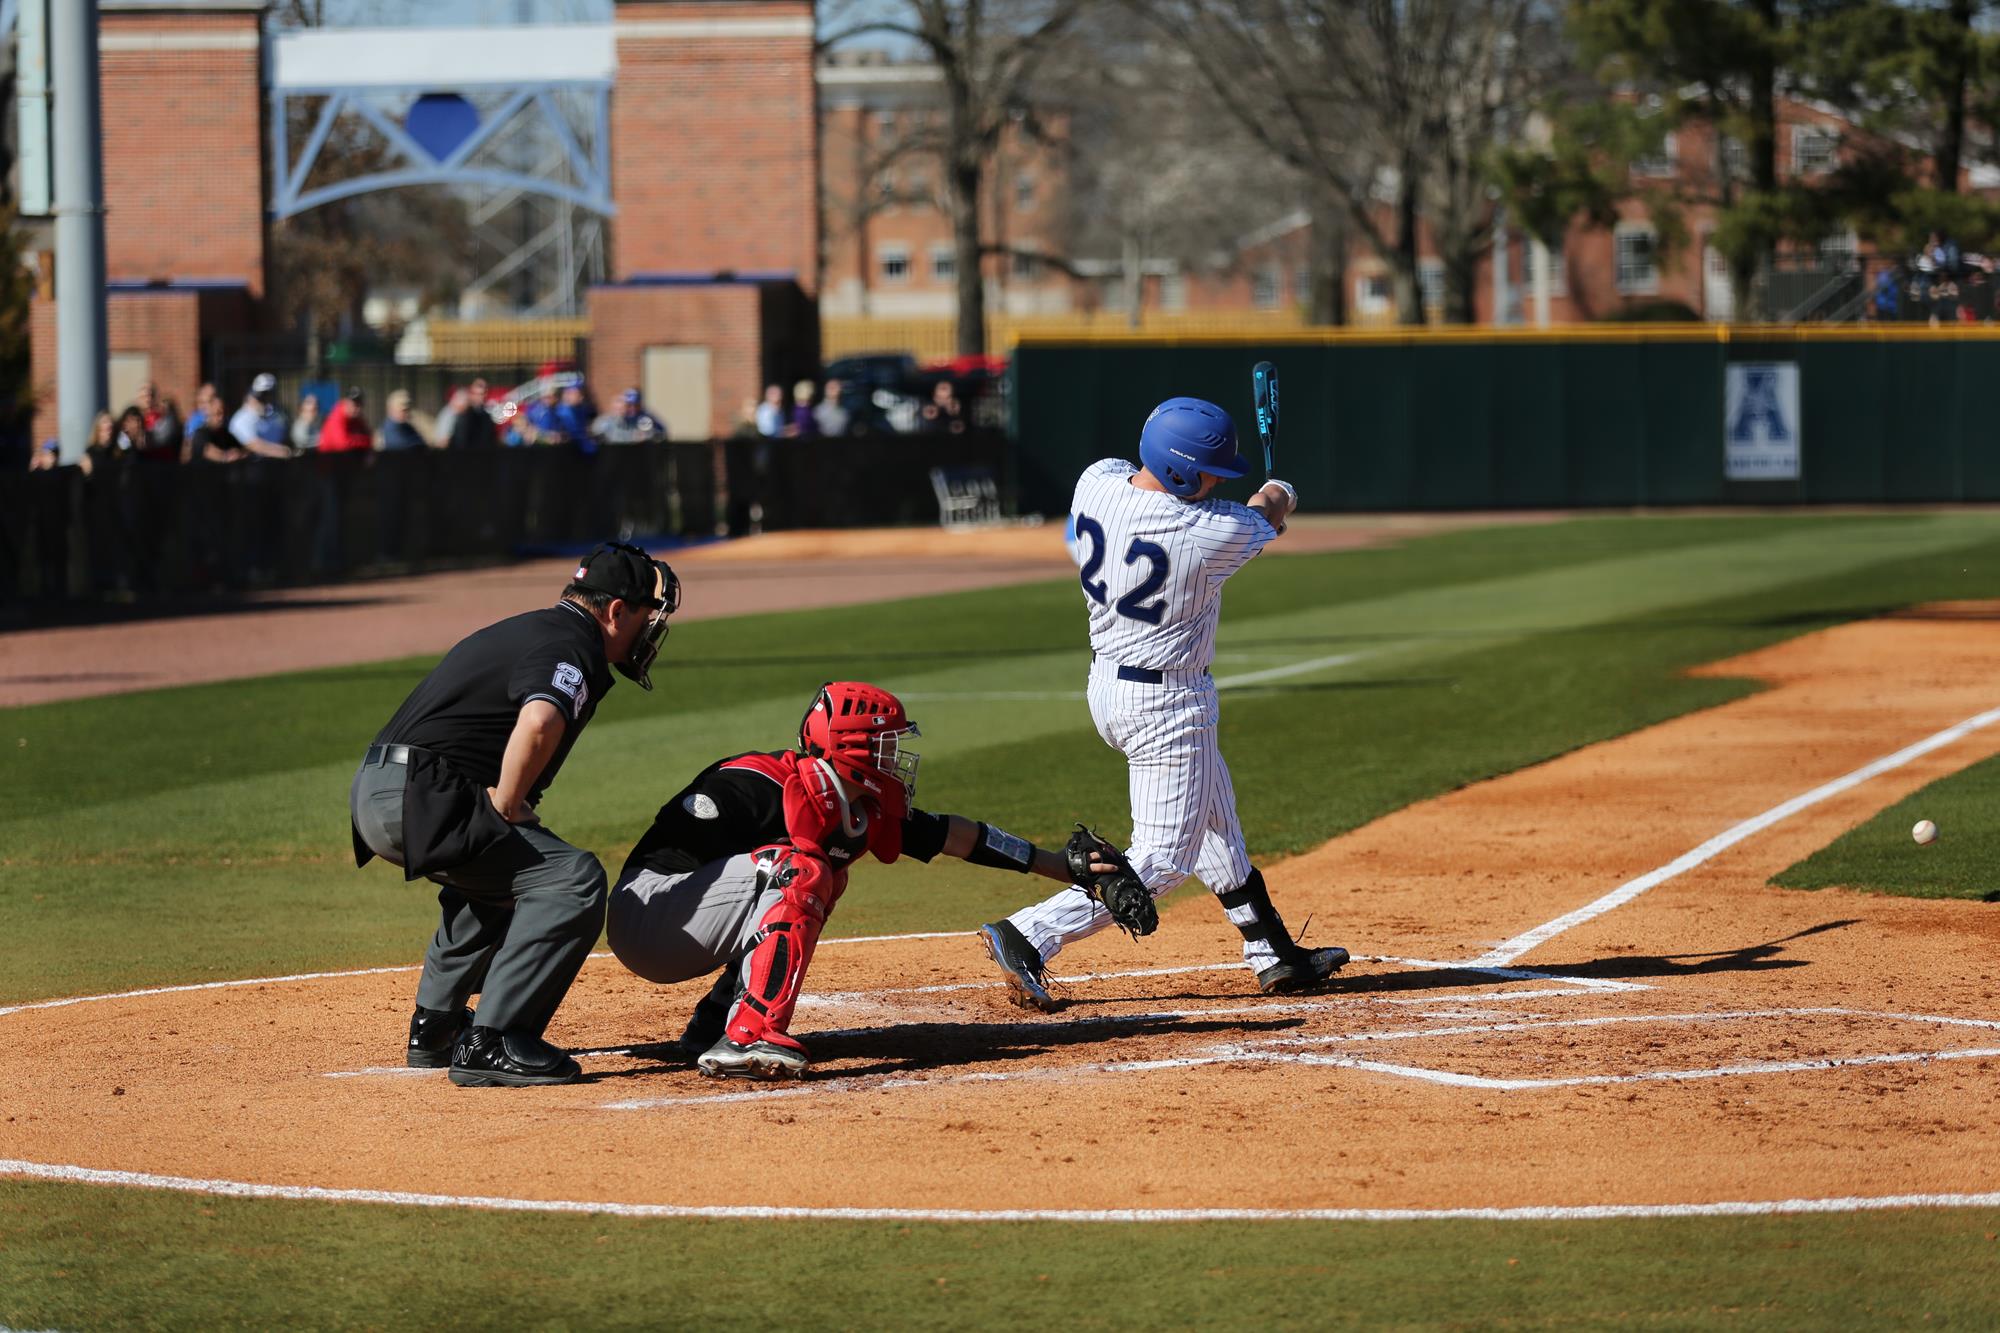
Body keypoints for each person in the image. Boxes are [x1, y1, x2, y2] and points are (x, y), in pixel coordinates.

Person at [978, 397, 1347, 1011]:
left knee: (1215, 819)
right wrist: (1279, 489)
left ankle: (1271, 952)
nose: (1214, 482)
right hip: (1167, 702)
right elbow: (1267, 511)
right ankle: (1030, 933)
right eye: (1208, 471)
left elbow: (1166, 483)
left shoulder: (1094, 483)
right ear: (1181, 471)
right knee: (1164, 859)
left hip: (1108, 684)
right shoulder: (1210, 532)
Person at [606, 681, 1121, 1080]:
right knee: (799, 870)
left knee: (824, 875)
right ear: (851, 747)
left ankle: (714, 1024)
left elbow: (958, 836)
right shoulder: (755, 783)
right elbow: (679, 833)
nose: (894, 759)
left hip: (691, 918)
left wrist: (1060, 866)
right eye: (884, 746)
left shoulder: (855, 806)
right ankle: (749, 1035)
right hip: (651, 915)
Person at [349, 542, 682, 1087]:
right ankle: (495, 1038)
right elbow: (540, 721)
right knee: (570, 881)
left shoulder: (538, 628)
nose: (652, 631)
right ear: (616, 610)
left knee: (507, 875)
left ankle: (436, 1027)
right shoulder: (573, 644)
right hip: (421, 794)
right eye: (649, 616)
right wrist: (506, 800)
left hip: (382, 790)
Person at [228, 373, 293, 458]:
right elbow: (254, 445)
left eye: (270, 395)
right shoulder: (240, 419)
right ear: (251, 395)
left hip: (277, 465)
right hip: (251, 467)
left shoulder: (277, 414)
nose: (266, 400)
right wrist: (285, 452)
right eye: (262, 395)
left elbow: (286, 437)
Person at [593, 388, 665, 445]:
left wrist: (647, 437)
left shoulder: (646, 419)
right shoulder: (610, 420)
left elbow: (661, 433)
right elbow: (596, 433)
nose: (633, 409)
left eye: (636, 405)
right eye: (629, 405)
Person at [316, 387, 372, 453]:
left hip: (347, 459)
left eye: (360, 405)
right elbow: (343, 445)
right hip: (331, 460)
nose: (358, 409)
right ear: (346, 402)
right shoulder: (336, 417)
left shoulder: (357, 418)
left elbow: (370, 439)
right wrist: (362, 440)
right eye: (355, 404)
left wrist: (357, 440)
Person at [449, 379, 498, 450]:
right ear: (471, 394)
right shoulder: (462, 413)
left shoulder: (487, 416)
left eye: (483, 393)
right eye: (476, 393)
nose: (481, 397)